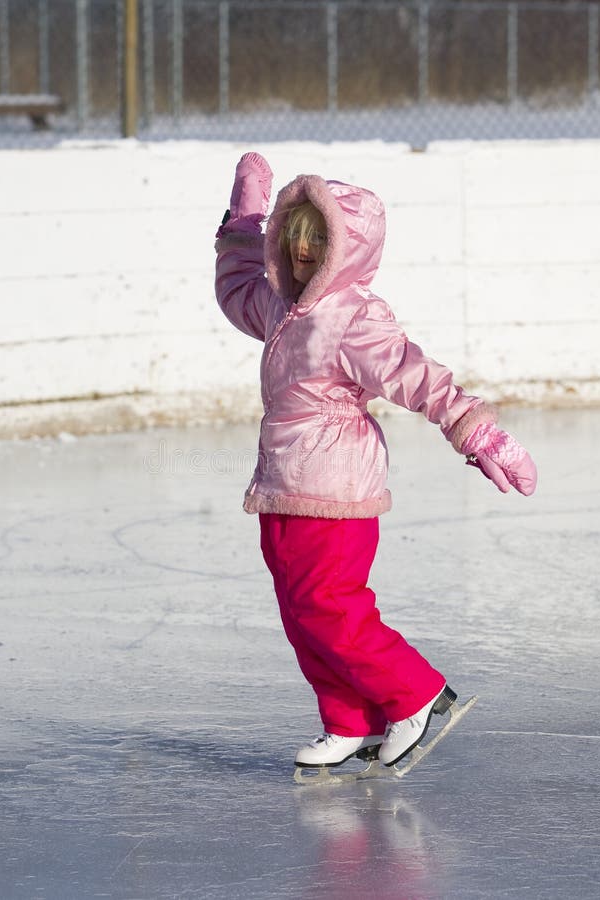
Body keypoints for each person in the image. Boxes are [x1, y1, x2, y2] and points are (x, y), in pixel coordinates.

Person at [214, 152, 537, 771]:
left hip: (336, 487)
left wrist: (476, 431)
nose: (302, 251)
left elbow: (415, 374)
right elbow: (235, 294)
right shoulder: (282, 306)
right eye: (294, 236)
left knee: (331, 607)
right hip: (282, 482)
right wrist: (243, 224)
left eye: (318, 240)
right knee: (301, 614)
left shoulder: (354, 316)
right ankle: (349, 722)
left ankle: (417, 695)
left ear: (346, 249)